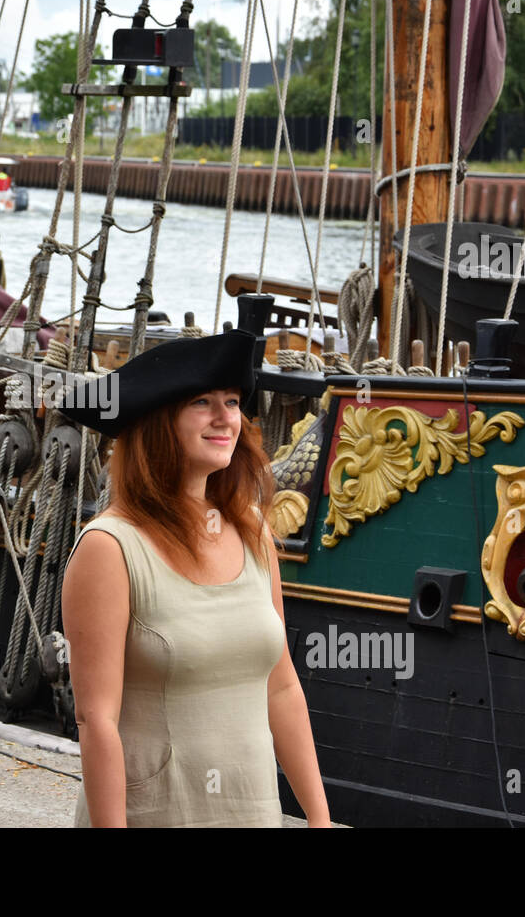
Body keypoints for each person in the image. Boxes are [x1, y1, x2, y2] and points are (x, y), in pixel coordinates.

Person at [58, 329, 329, 827]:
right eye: (203, 402)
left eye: (231, 401)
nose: (227, 417)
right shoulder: (110, 548)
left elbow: (282, 687)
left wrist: (319, 817)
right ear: (158, 422)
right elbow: (96, 721)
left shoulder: (253, 533)